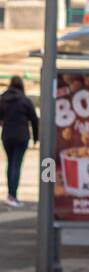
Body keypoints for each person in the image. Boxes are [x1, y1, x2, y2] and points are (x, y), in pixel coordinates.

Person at [0, 76, 38, 208]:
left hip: (7, 136)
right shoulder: (25, 100)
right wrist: (36, 137)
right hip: (22, 136)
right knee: (16, 164)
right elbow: (34, 119)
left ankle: (10, 194)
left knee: (10, 164)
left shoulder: (3, 98)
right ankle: (13, 195)